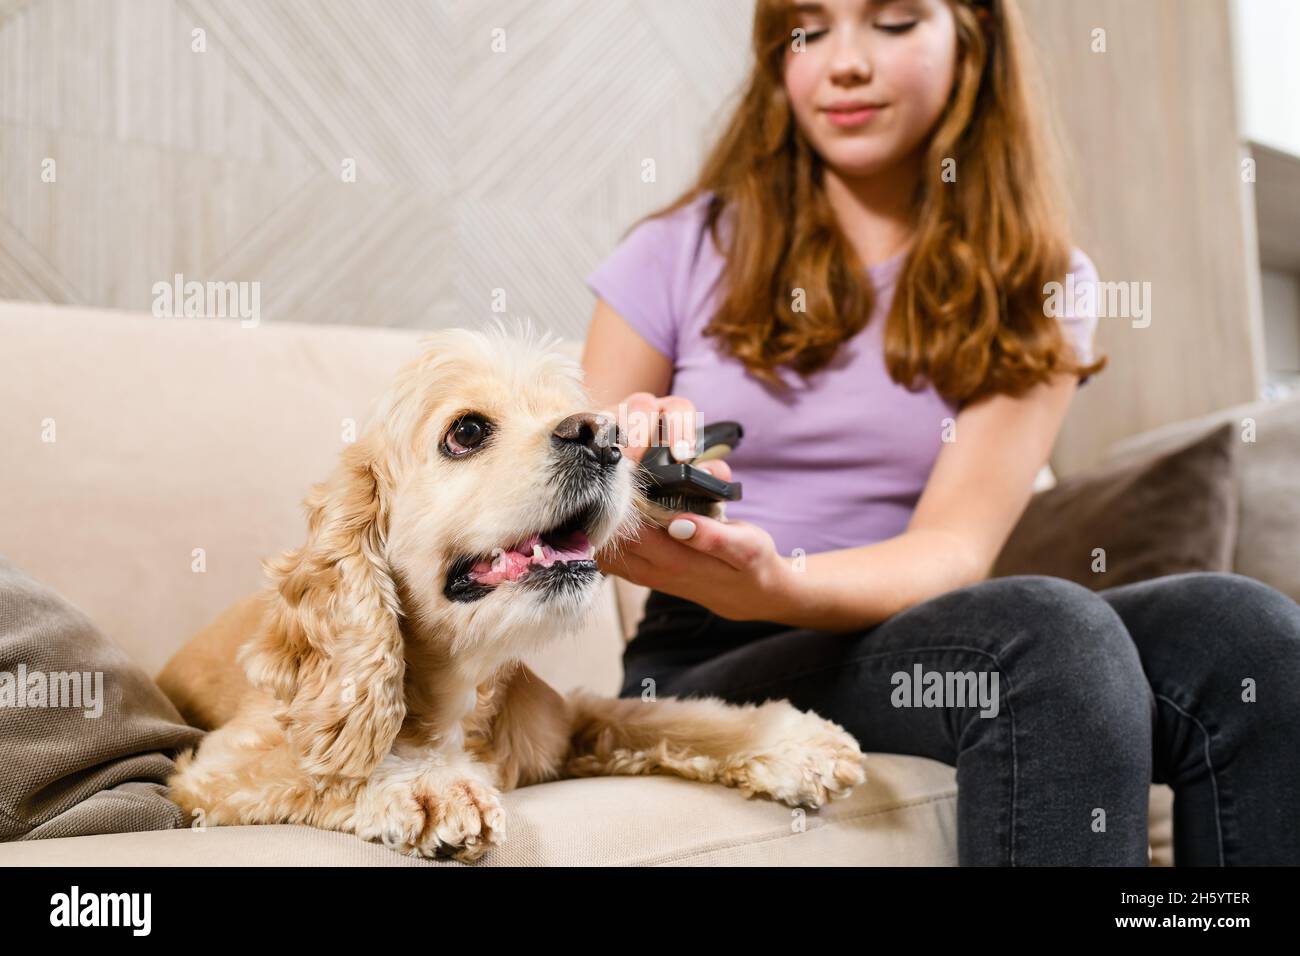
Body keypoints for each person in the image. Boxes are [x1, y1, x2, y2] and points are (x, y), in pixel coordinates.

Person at [578, 0, 1300, 865]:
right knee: (1050, 635)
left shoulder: (1041, 282)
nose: (845, 62)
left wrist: (783, 580)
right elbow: (569, 524)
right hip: (707, 655)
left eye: (893, 22)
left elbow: (955, 547)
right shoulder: (677, 250)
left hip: (912, 634)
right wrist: (622, 474)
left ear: (973, 40)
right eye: (810, 26)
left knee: (1247, 632)